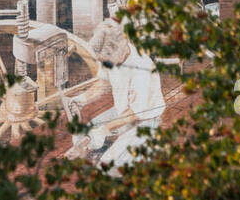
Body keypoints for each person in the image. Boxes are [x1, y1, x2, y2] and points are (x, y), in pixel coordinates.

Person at [67, 17, 166, 171]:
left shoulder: (142, 69)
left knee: (109, 168)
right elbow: (103, 82)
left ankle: (146, 146)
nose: (105, 65)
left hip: (144, 119)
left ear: (121, 46)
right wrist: (82, 99)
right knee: (82, 135)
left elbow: (134, 113)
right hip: (122, 111)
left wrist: (104, 129)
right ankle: (114, 147)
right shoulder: (110, 55)